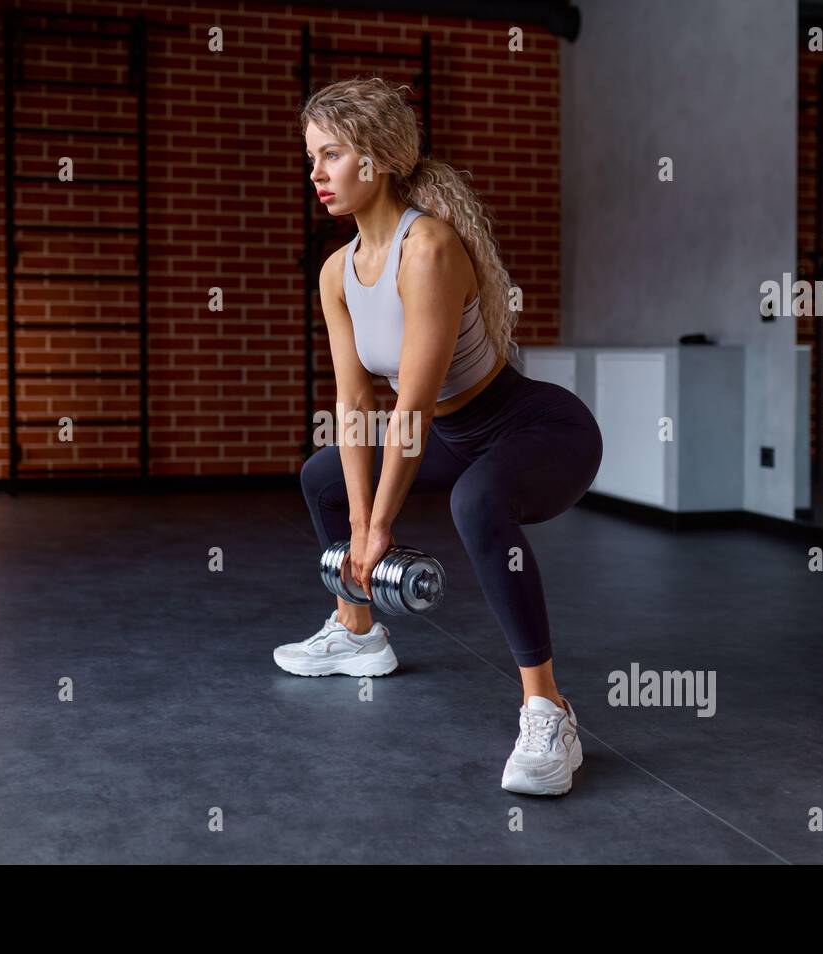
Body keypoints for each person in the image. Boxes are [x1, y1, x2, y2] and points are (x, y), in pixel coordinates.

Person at [274, 77, 604, 796]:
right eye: (311, 159)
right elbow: (356, 399)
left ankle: (549, 709)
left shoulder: (429, 248)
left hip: (536, 428)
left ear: (375, 158)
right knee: (322, 477)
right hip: (454, 434)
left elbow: (412, 408)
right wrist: (359, 523)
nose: (317, 175)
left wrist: (381, 526)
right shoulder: (337, 271)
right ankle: (358, 631)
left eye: (330, 156)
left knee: (476, 502)